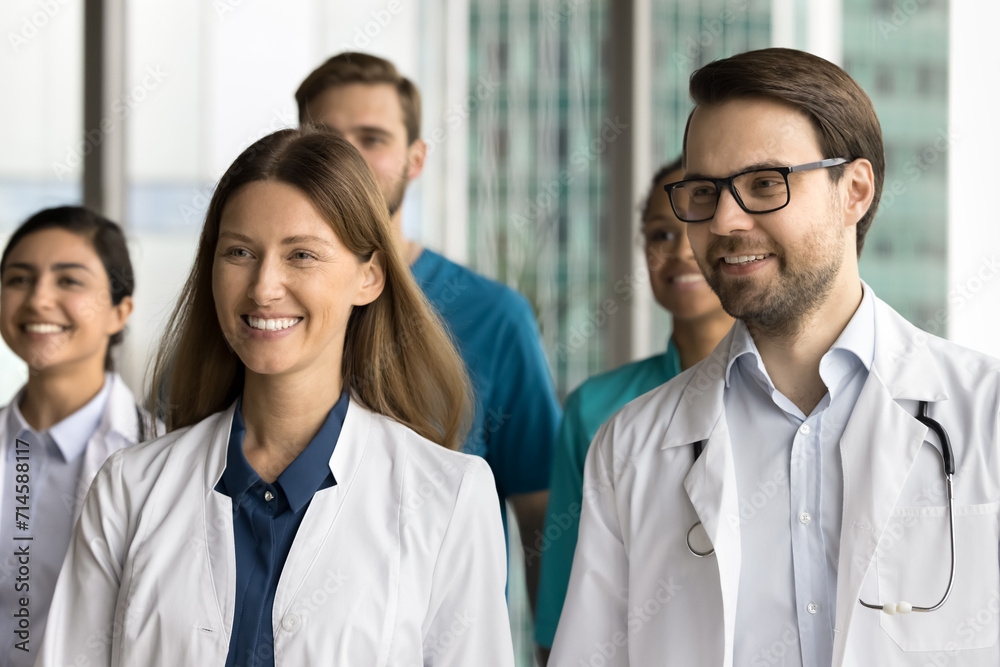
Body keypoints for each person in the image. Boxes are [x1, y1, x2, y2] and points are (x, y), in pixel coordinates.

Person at [550, 47, 1000, 666]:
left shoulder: (986, 413)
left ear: (856, 191)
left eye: (765, 183)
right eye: (703, 192)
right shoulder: (630, 447)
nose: (726, 220)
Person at [37, 129, 515, 666]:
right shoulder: (129, 488)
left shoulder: (448, 497)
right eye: (239, 252)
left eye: (302, 255)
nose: (264, 287)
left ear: (370, 277)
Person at [295, 52, 561, 607]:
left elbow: (540, 514)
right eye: (325, 139)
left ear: (416, 159)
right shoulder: (269, 309)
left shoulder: (494, 316)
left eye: (372, 138)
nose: (347, 159)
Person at [534, 158, 733, 658]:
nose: (681, 252)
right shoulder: (597, 409)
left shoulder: (791, 394)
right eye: (661, 234)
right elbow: (562, 603)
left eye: (698, 229)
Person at [0, 206, 150, 666]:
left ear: (119, 310)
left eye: (69, 281)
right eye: (18, 279)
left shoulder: (159, 456)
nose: (38, 299)